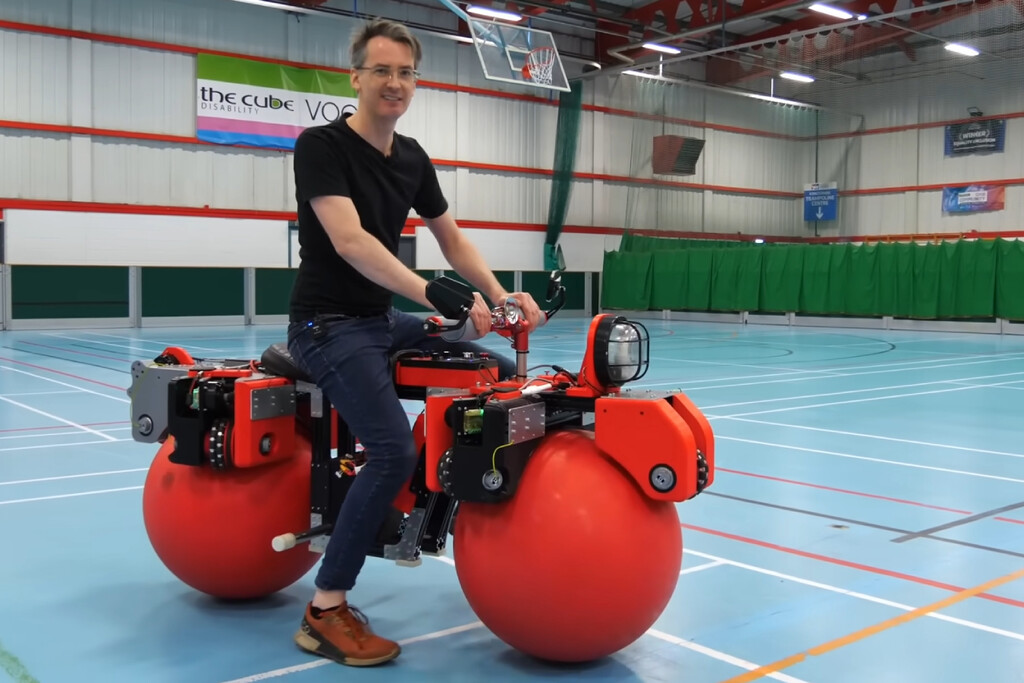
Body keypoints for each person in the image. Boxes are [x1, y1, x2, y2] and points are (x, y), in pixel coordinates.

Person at [285, 17, 543, 668]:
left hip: (378, 321)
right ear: (357, 78)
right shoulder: (320, 146)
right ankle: (325, 608)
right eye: (383, 71)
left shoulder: (412, 157)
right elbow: (351, 242)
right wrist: (435, 295)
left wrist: (503, 296)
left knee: (495, 370)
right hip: (327, 325)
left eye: (406, 73)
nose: (395, 83)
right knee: (392, 449)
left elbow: (451, 238)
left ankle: (428, 513)